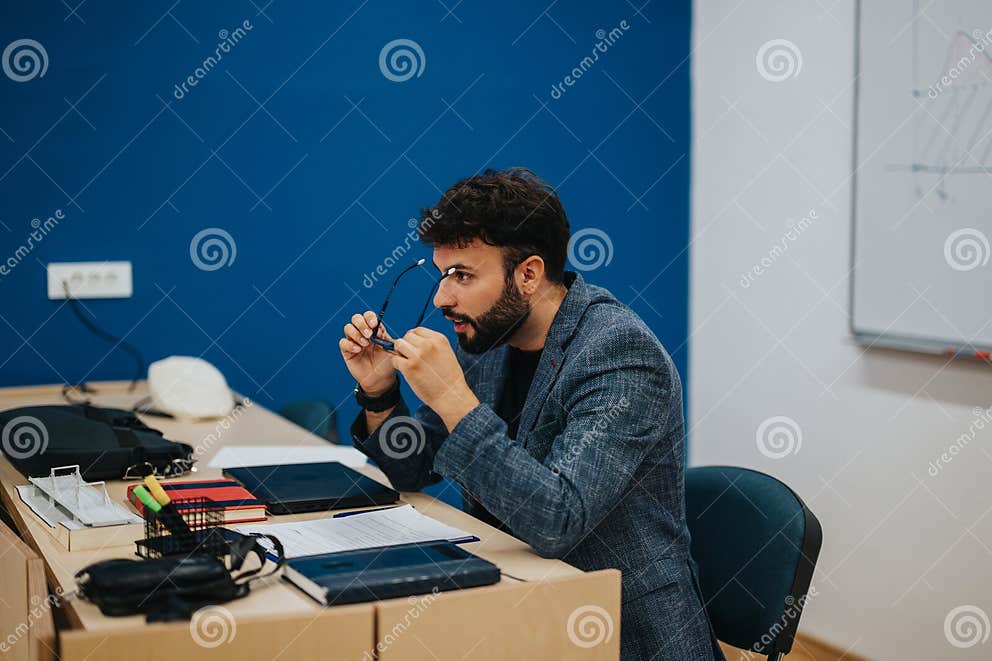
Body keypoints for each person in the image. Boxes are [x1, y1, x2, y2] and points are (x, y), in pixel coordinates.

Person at [340, 167, 723, 660]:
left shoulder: (620, 354)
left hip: (619, 630)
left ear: (528, 274)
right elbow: (414, 468)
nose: (440, 298)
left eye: (462, 276)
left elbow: (557, 519)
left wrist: (455, 399)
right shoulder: (492, 342)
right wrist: (380, 393)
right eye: (441, 276)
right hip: (520, 605)